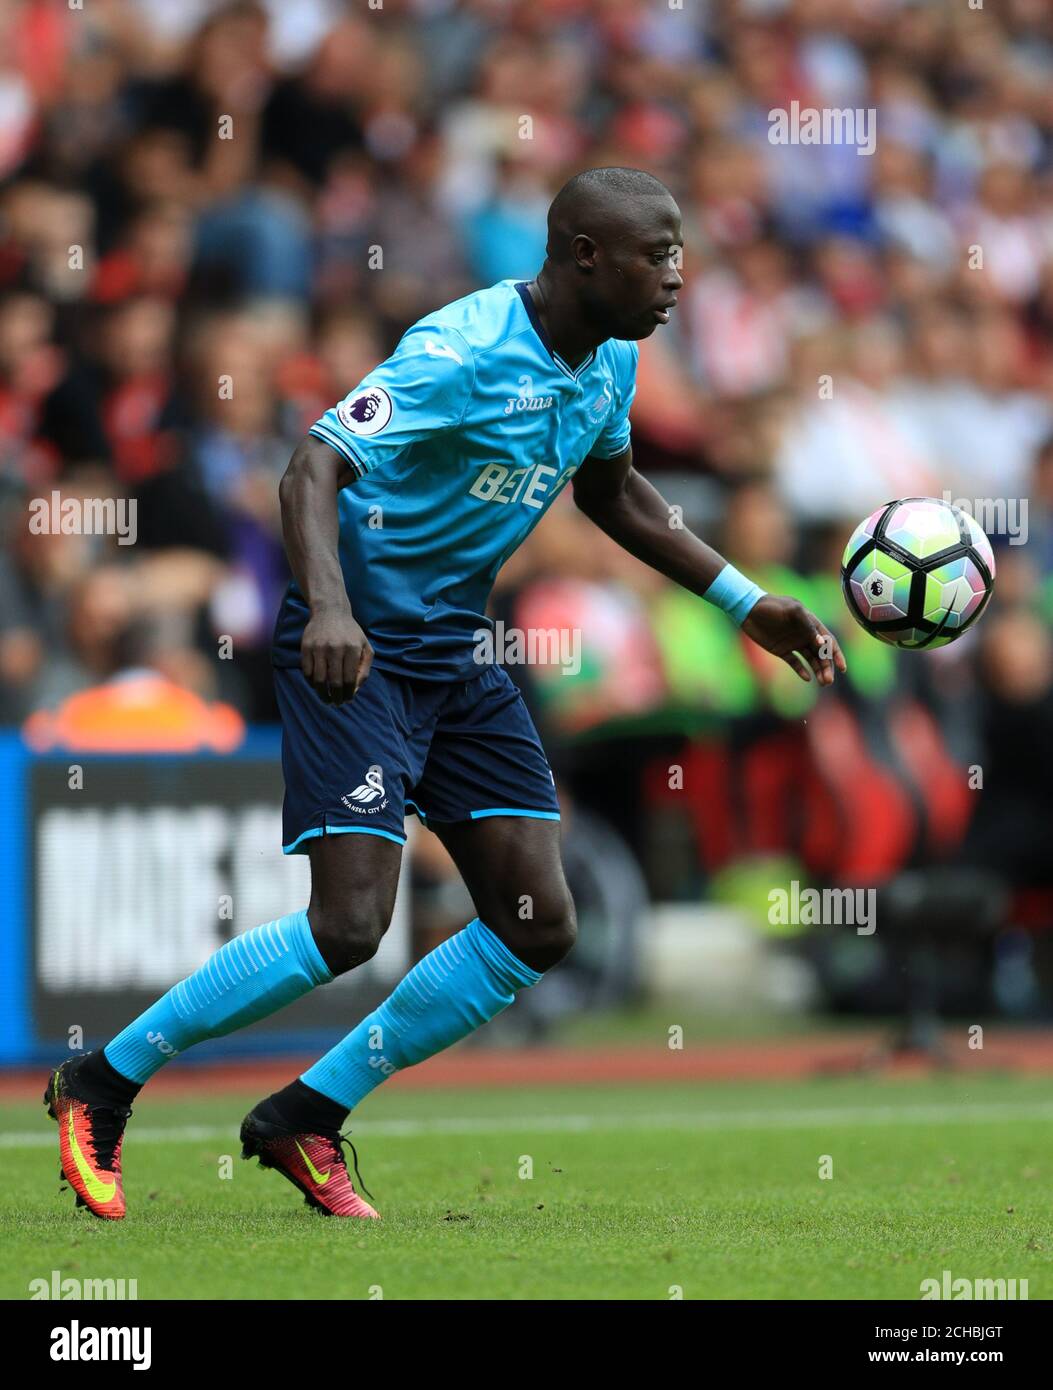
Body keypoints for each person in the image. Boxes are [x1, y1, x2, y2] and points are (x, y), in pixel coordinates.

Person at [45, 167, 845, 1219]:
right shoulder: (461, 348)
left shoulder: (608, 364)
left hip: (457, 651)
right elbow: (312, 467)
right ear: (584, 256)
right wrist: (328, 608)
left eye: (681, 253)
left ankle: (307, 1114)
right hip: (358, 646)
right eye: (657, 255)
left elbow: (614, 495)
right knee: (349, 925)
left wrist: (747, 603)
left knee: (537, 920)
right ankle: (102, 1080)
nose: (678, 278)